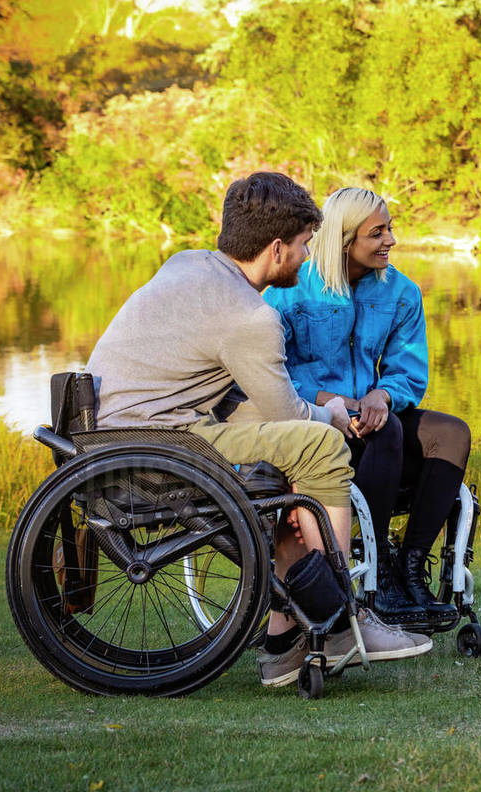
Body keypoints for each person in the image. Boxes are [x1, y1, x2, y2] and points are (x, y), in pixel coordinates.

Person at [84, 172, 431, 688]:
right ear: (277, 249)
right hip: (157, 449)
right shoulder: (250, 317)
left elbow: (247, 405)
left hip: (114, 439)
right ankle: (339, 619)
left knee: (282, 462)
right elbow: (288, 413)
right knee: (318, 444)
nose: (308, 256)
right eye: (304, 244)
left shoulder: (188, 265)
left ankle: (282, 642)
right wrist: (334, 414)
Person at [265, 188, 471, 629]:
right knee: (389, 429)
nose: (390, 240)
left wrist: (384, 395)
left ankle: (407, 568)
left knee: (451, 433)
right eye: (377, 233)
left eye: (389, 229)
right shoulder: (290, 289)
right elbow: (268, 372)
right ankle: (378, 575)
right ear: (344, 240)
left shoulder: (401, 292)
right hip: (314, 427)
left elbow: (408, 370)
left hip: (373, 422)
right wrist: (328, 401)